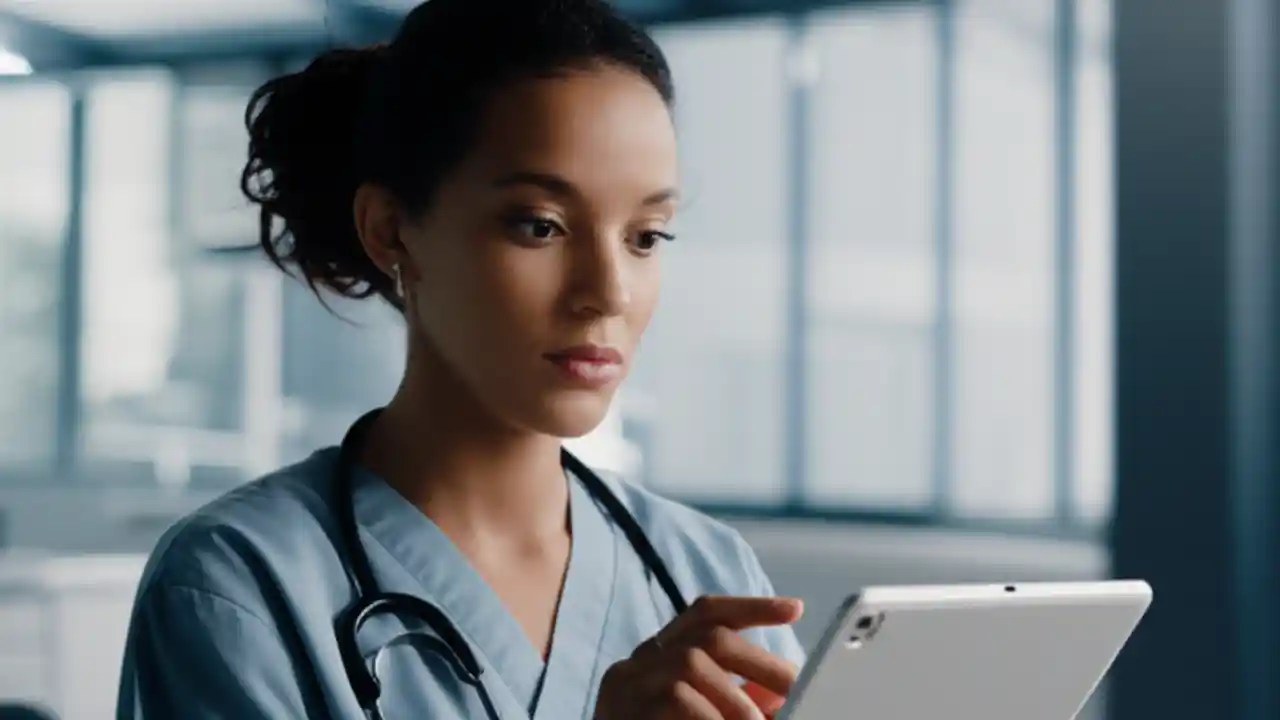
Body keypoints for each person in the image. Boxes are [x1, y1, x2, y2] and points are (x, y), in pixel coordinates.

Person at [115, 0, 806, 718]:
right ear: (392, 231)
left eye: (646, 237)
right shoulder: (238, 586)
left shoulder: (706, 569)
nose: (607, 293)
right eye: (541, 226)